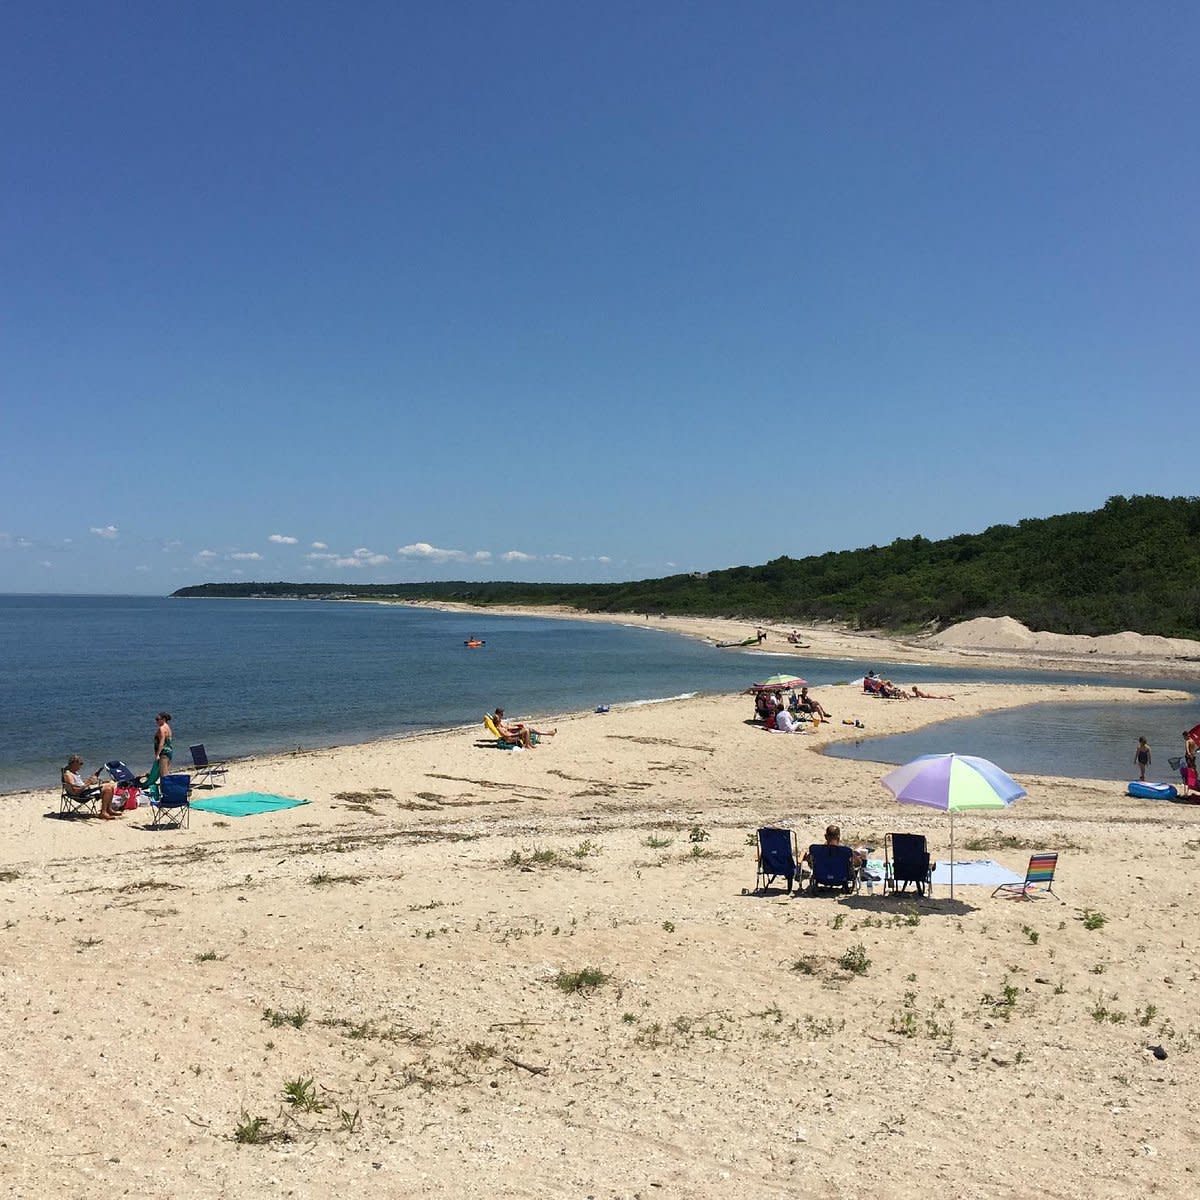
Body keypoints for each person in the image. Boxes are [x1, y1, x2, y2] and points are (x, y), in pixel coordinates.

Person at [62, 754, 120, 820]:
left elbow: (80, 785)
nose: (81, 766)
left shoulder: (75, 773)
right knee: (108, 789)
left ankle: (109, 809)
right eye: (80, 763)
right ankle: (103, 813)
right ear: (74, 763)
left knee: (111, 786)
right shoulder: (68, 774)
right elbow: (75, 790)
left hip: (84, 791)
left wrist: (90, 780)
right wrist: (88, 783)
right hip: (81, 795)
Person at [144, 711, 173, 791]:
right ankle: (167, 789)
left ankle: (166, 791)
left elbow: (162, 742)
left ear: (163, 719)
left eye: (158, 719)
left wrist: (157, 754)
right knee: (166, 770)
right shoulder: (168, 727)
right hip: (169, 752)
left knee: (163, 773)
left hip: (163, 753)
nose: (156, 721)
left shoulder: (162, 728)